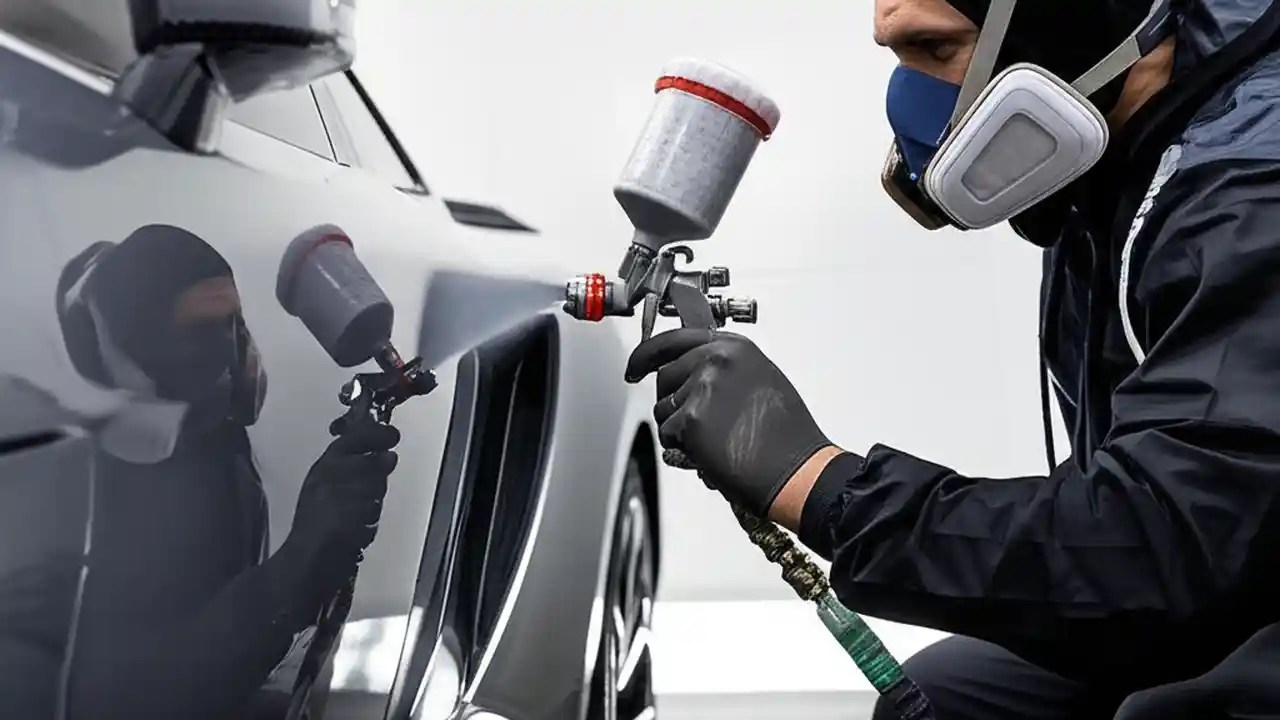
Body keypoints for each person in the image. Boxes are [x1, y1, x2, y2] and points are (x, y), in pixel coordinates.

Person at [625, 0, 1280, 718]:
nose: (909, 98)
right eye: (897, 55)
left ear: (1067, 28)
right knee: (958, 697)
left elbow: (1169, 546)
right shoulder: (1117, 165)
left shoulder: (1251, 190)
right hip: (1222, 589)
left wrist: (822, 486)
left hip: (1222, 592)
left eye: (935, 51)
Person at [49, 225, 397, 719]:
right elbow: (133, 700)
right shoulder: (90, 504)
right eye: (199, 332)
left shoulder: (216, 454)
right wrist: (296, 567)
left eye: (234, 324)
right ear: (126, 361)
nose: (232, 358)